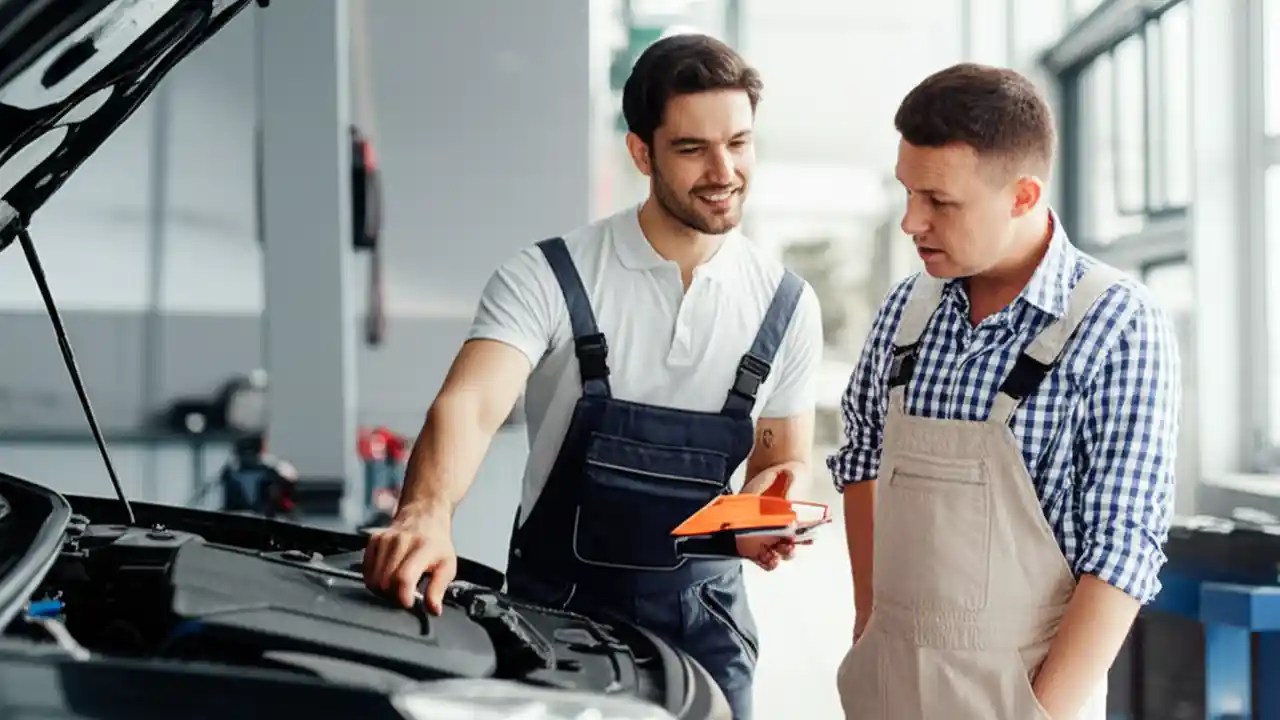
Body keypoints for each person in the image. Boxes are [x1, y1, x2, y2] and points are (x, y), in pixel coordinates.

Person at [362, 33, 823, 719]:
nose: (723, 170)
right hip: (557, 619)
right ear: (642, 152)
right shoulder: (550, 276)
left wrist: (771, 507)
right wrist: (427, 514)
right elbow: (469, 405)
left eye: (739, 142)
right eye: (692, 149)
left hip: (708, 628)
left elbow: (783, 460)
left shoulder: (786, 304)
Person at [829, 63, 1180, 720]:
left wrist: (1042, 712)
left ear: (1022, 195)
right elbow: (861, 461)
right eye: (908, 192)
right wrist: (868, 624)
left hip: (1023, 701)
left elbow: (1124, 543)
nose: (911, 221)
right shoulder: (906, 310)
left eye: (940, 201)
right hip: (888, 692)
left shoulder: (1117, 323)